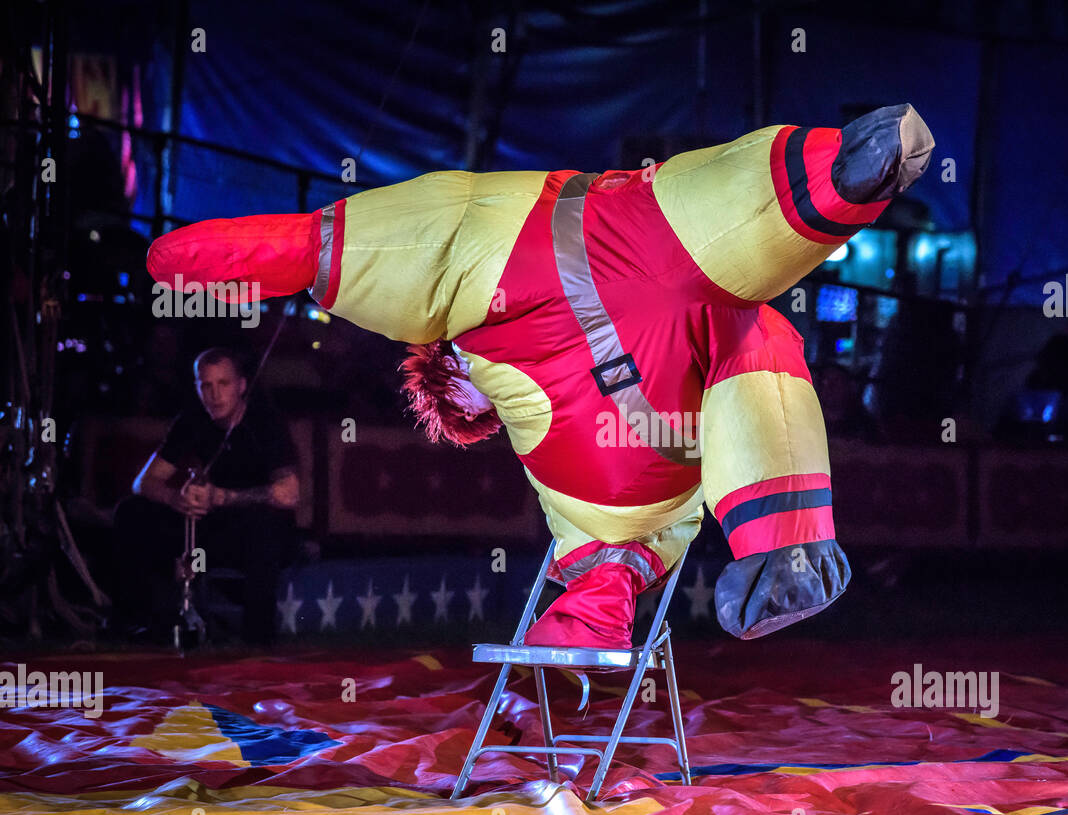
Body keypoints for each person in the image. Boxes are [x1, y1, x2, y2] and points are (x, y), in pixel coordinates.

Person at [146, 103, 935, 649]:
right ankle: (782, 543)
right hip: (647, 290)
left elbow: (411, 248)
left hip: (619, 250)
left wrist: (292, 252)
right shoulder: (518, 381)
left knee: (746, 309)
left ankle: (839, 175)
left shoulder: (484, 316)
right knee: (756, 333)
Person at [110, 347, 299, 645]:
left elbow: (288, 494)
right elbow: (142, 482)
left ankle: (258, 638)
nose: (214, 394)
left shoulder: (266, 422)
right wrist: (175, 498)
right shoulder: (192, 420)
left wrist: (221, 496)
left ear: (241, 386)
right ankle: (137, 621)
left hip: (256, 529)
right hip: (208, 527)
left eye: (223, 384)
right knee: (131, 512)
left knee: (264, 526)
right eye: (205, 385)